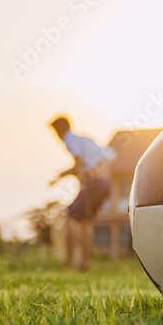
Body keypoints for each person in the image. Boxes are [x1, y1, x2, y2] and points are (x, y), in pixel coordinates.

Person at [49, 116, 115, 271]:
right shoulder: (84, 139)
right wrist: (63, 175)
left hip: (94, 184)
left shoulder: (69, 139)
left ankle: (69, 262)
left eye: (55, 131)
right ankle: (84, 262)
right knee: (85, 222)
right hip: (105, 184)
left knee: (71, 215)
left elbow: (78, 165)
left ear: (59, 129)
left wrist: (63, 176)